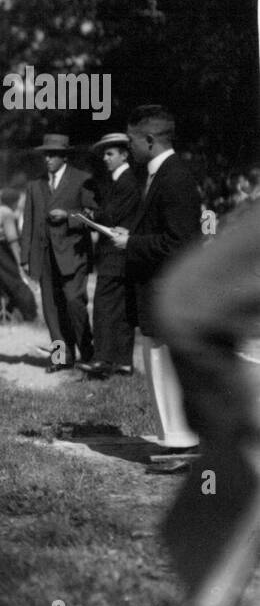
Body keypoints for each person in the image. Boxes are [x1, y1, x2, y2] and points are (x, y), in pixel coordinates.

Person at [157, 201, 260, 606]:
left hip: (185, 314)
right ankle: (209, 604)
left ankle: (189, 549)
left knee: (234, 451)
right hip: (196, 324)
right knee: (250, 457)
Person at [109, 105, 202, 449]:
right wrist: (129, 233)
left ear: (149, 140)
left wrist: (131, 242)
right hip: (157, 291)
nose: (128, 146)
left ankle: (180, 442)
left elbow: (180, 241)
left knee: (165, 366)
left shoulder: (174, 177)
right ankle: (172, 438)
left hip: (167, 291)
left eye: (131, 140)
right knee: (157, 363)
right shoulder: (157, 174)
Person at [21, 133, 94, 372]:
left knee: (74, 303)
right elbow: (29, 223)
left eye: (52, 154)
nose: (48, 159)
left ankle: (89, 354)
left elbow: (94, 216)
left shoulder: (82, 180)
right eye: (45, 154)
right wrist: (25, 258)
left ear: (64, 156)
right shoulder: (35, 186)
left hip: (73, 254)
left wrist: (70, 216)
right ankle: (62, 357)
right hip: (44, 256)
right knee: (51, 310)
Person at [77, 132, 140, 379]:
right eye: (104, 153)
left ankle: (101, 359)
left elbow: (112, 216)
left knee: (104, 305)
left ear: (124, 155)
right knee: (122, 307)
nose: (105, 158)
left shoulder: (124, 181)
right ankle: (123, 362)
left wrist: (92, 215)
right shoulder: (123, 180)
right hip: (122, 253)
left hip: (115, 253)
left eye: (110, 153)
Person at [0, 188, 37, 322]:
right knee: (15, 279)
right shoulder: (6, 212)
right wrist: (21, 262)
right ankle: (30, 314)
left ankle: (8, 311)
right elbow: (13, 239)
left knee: (3, 281)